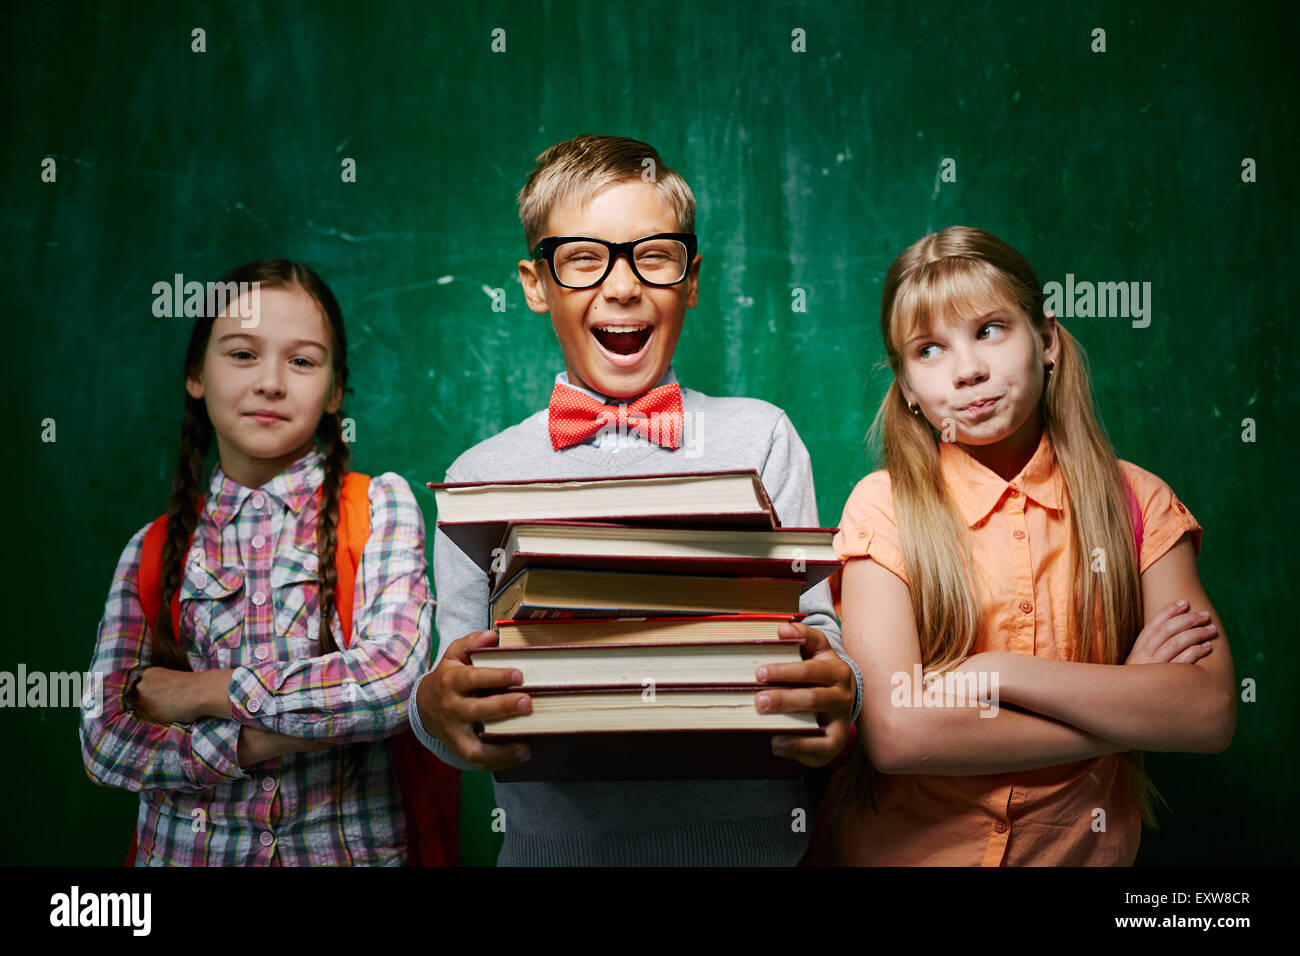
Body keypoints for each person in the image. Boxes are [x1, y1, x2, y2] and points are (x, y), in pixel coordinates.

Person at [408, 134, 862, 865]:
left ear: (691, 278)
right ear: (534, 282)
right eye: (584, 258)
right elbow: (446, 682)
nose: (623, 286)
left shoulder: (763, 437)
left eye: (654, 255)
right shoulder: (477, 476)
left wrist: (844, 692)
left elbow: (818, 635)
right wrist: (434, 708)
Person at [827, 226, 1235, 865]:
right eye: (930, 349)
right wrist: (1124, 700)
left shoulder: (1140, 503)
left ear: (1046, 340)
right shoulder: (884, 508)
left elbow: (1207, 715)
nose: (969, 371)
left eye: (990, 330)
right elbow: (898, 733)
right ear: (906, 385)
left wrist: (994, 674)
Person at [80, 260, 434, 865]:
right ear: (196, 374)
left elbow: (390, 687)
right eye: (243, 354)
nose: (271, 382)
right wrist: (263, 741)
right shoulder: (152, 549)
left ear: (335, 390)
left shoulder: (378, 508)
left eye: (302, 361)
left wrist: (198, 694)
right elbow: (106, 742)